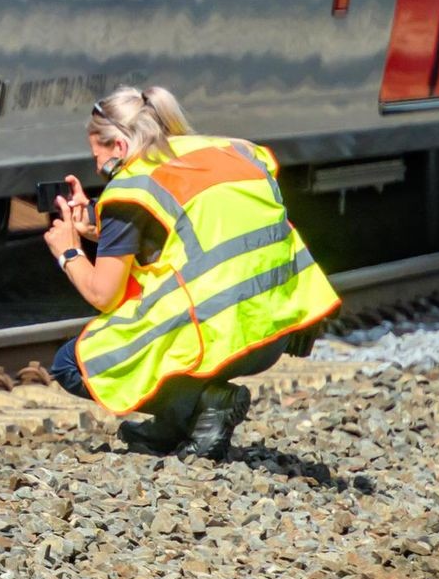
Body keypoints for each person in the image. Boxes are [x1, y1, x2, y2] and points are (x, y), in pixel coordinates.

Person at [42, 86, 340, 459]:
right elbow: (196, 222)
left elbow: (104, 295)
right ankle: (177, 425)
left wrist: (68, 251)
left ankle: (205, 403)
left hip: (219, 340)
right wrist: (104, 223)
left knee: (72, 364)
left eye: (97, 156)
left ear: (119, 147)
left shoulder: (130, 189)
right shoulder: (233, 152)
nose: (98, 167)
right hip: (277, 330)